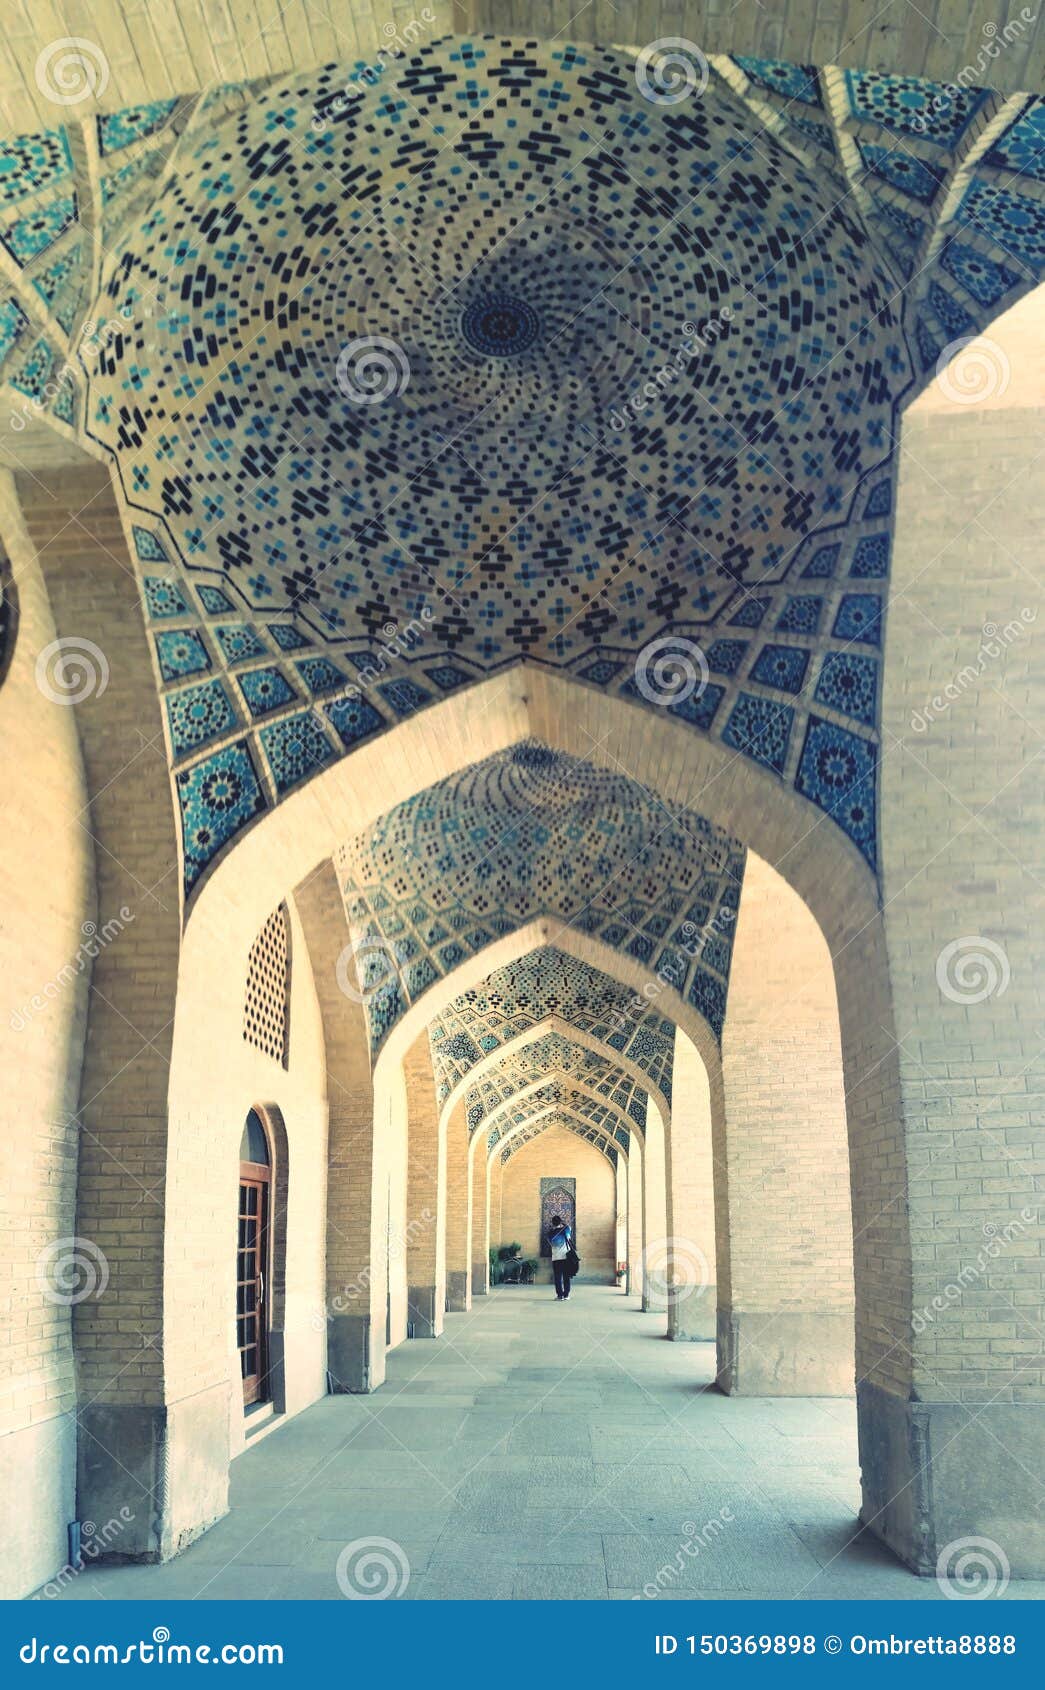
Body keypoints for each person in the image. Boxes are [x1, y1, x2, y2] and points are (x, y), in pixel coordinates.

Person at [547, 1213, 573, 1300]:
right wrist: (564, 1224)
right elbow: (569, 1235)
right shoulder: (566, 1229)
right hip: (566, 1257)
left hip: (556, 1258)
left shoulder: (550, 1234)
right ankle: (566, 1295)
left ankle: (560, 1295)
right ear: (560, 1222)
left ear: (553, 1223)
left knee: (558, 1277)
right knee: (566, 1276)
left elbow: (550, 1244)